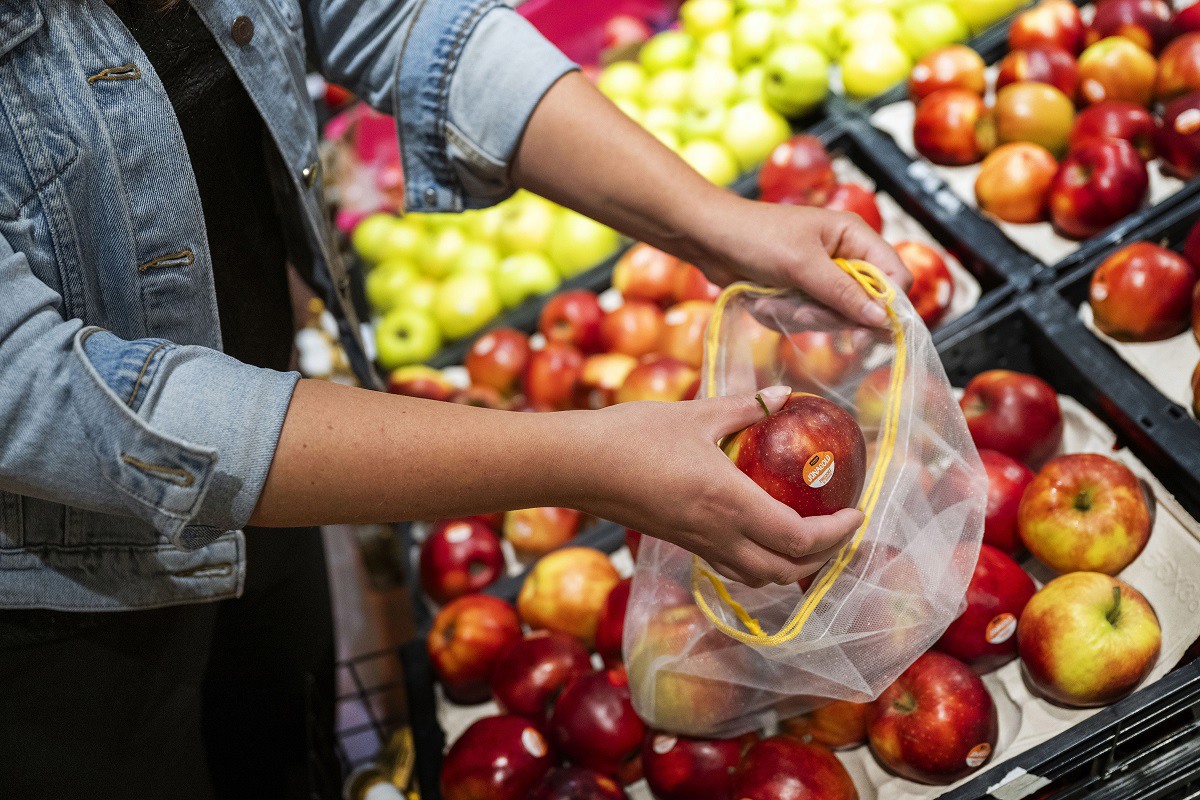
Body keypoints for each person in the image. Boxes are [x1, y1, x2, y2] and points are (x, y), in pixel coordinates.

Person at [0, 0, 910, 797]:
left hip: (273, 464)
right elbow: (40, 390)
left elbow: (393, 18)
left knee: (284, 744)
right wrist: (583, 461)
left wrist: (715, 223)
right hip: (55, 593)